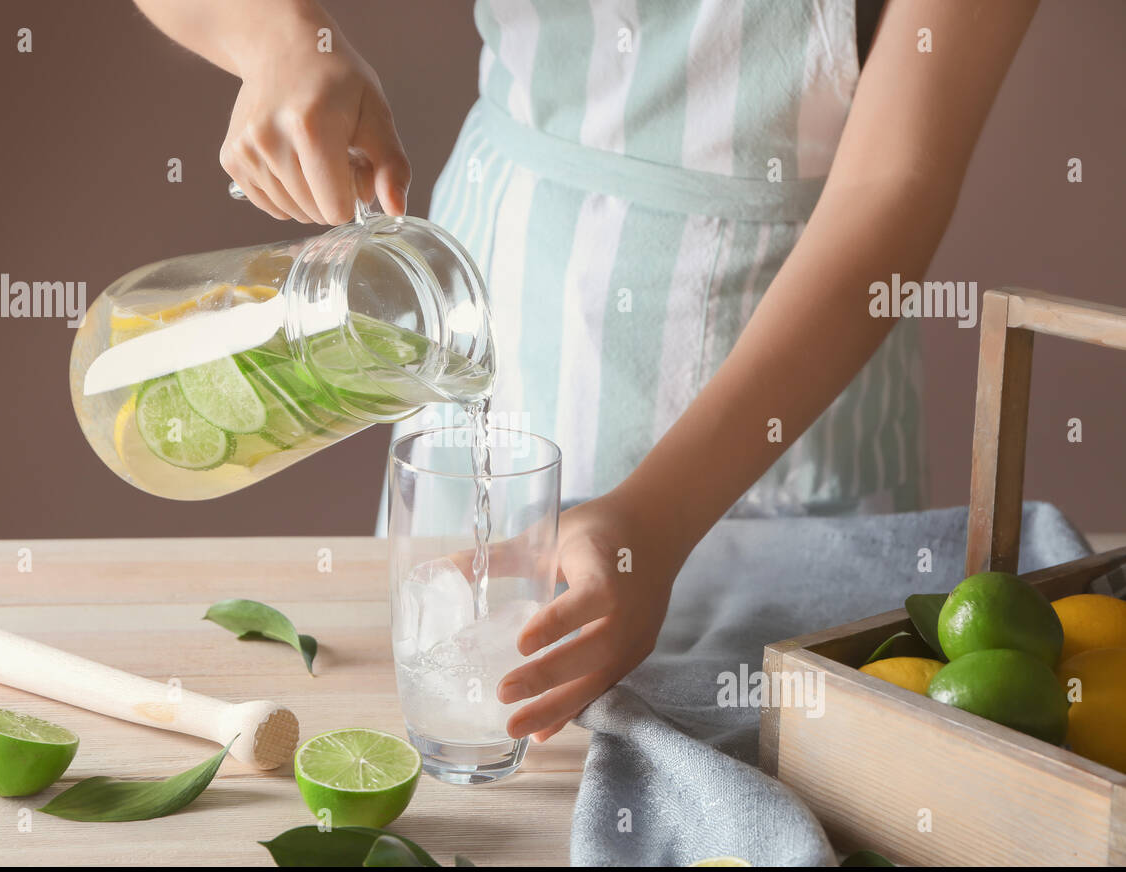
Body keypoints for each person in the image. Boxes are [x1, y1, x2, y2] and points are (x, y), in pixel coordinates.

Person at [133, 0, 1038, 741]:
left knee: (782, 774)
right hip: (501, 312)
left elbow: (897, 180)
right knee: (478, 745)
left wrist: (656, 517)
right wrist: (279, 39)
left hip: (779, 396)